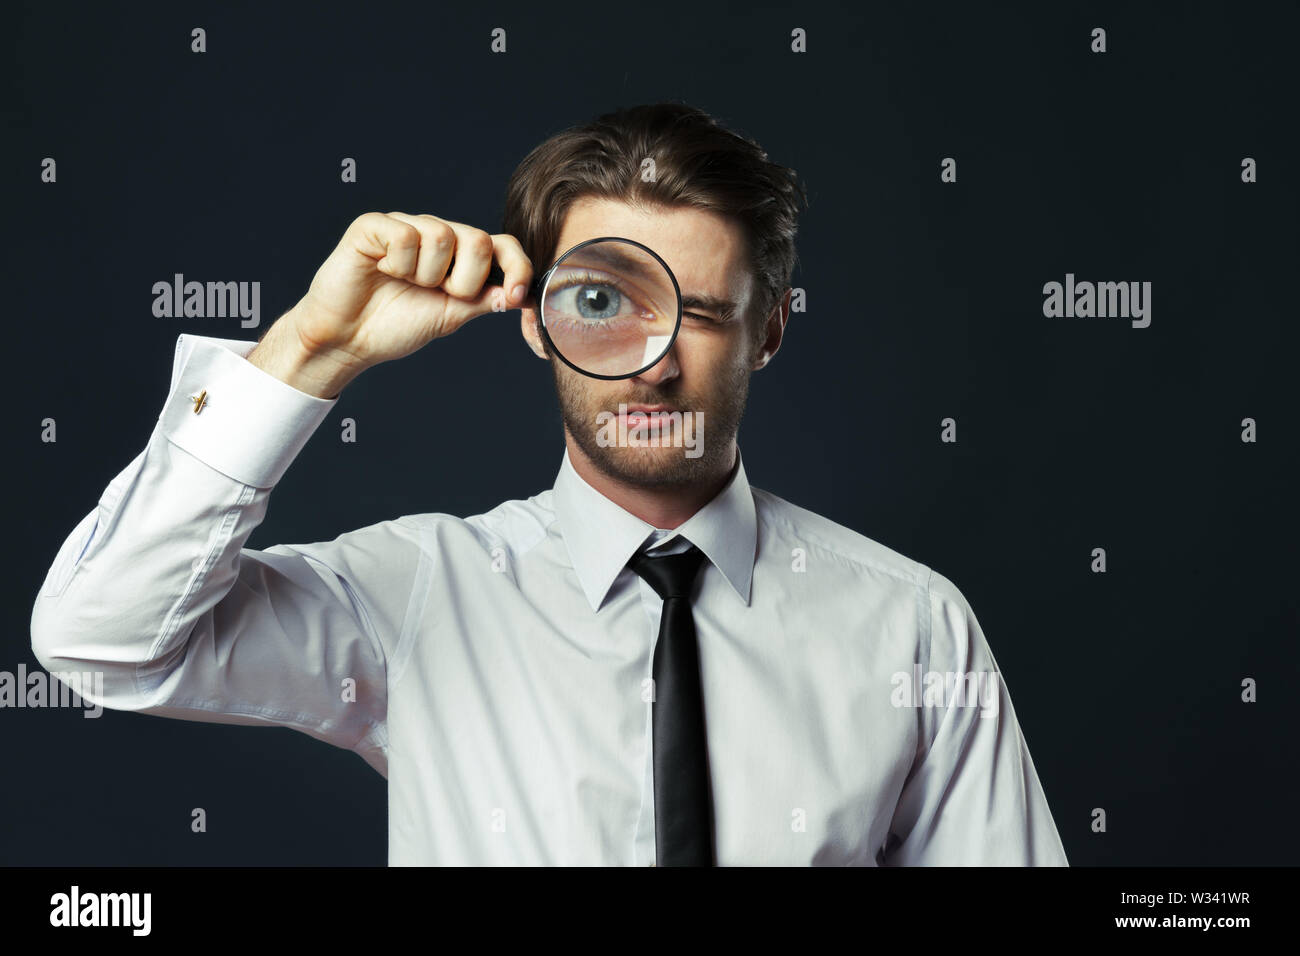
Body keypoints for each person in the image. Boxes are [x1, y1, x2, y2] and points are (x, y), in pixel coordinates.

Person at [30, 102, 1067, 866]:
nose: (653, 358)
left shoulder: (913, 624)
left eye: (700, 312)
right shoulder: (422, 591)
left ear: (771, 329)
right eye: (598, 301)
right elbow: (105, 640)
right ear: (533, 320)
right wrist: (308, 352)